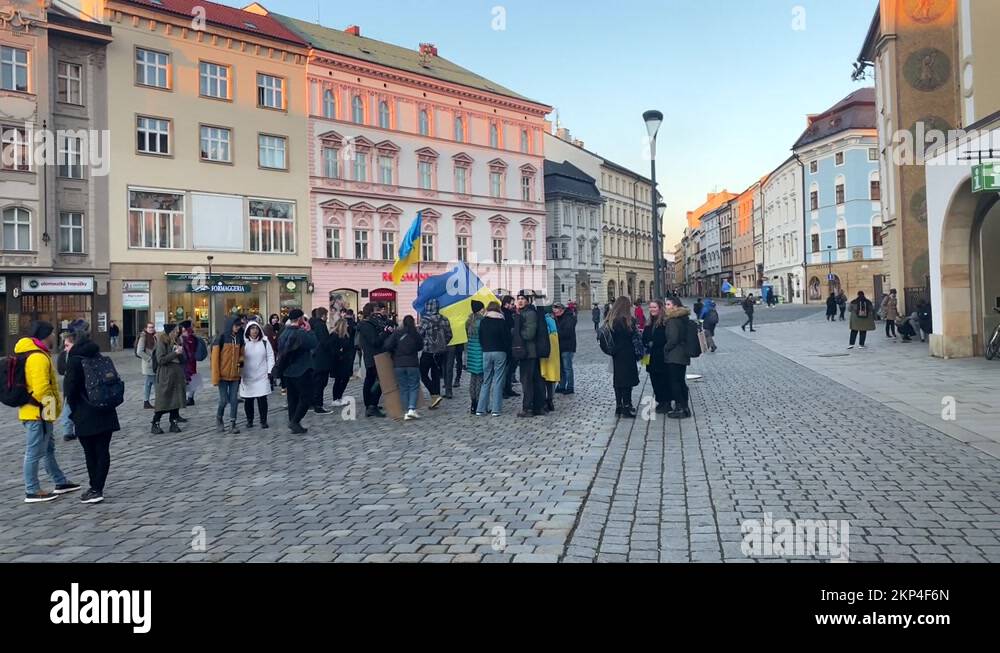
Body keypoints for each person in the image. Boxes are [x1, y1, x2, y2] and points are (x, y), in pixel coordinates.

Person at [15, 321, 80, 503]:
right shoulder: (38, 357)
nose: (54, 337)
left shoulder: (38, 353)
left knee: (48, 449)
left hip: (39, 412)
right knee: (34, 451)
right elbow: (42, 389)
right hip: (38, 412)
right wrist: (50, 412)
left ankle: (60, 482)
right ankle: (32, 490)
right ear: (45, 335)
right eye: (52, 334)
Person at [62, 320, 120, 504]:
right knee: (103, 450)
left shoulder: (75, 361)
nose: (65, 349)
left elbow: (69, 390)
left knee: (90, 452)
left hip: (85, 412)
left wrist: (74, 410)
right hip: (106, 408)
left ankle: (94, 488)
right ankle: (98, 487)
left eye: (67, 345)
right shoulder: (98, 355)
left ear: (75, 343)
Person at [276, 309, 318, 434]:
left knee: (292, 398)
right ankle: (295, 420)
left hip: (288, 370)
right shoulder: (300, 333)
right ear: (300, 319)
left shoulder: (284, 332)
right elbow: (314, 343)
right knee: (307, 397)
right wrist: (309, 330)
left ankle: (293, 422)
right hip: (302, 370)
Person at [602, 297, 639, 418]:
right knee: (627, 382)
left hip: (616, 354)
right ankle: (627, 406)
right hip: (627, 354)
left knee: (618, 381)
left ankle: (619, 406)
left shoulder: (610, 320)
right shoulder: (628, 321)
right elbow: (634, 336)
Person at [513, 291, 546, 418]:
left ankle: (528, 408)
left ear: (528, 301)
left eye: (522, 299)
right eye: (518, 299)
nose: (520, 301)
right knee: (533, 380)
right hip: (526, 352)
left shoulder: (530, 313)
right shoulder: (523, 313)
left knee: (527, 380)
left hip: (529, 352)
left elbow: (529, 334)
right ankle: (538, 406)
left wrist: (515, 332)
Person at [385, 315, 424, 420]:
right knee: (413, 386)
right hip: (412, 364)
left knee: (403, 388)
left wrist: (395, 351)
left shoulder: (397, 333)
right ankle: (412, 409)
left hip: (398, 364)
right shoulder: (415, 334)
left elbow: (387, 345)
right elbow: (421, 346)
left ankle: (406, 411)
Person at [211, 318, 244, 434]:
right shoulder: (221, 338)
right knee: (223, 400)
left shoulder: (240, 338)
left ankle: (233, 423)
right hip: (222, 376)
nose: (237, 327)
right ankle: (219, 418)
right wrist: (216, 376)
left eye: (239, 325)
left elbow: (241, 355)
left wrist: (240, 366)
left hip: (235, 375)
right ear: (230, 325)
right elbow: (215, 360)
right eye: (236, 325)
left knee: (234, 400)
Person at [476, 302, 510, 417]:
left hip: (486, 352)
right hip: (500, 351)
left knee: (486, 380)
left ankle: (480, 409)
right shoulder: (501, 321)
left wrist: (485, 347)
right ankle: (496, 409)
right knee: (498, 380)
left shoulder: (483, 321)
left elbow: (480, 337)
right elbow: (506, 338)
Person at [357, 303, 390, 418]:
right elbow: (375, 341)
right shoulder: (367, 325)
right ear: (371, 312)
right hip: (374, 357)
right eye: (376, 311)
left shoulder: (368, 324)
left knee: (370, 380)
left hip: (372, 357)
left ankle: (370, 405)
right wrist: (385, 333)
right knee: (378, 381)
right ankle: (372, 405)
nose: (377, 313)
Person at [152, 323, 186, 434]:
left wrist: (180, 353)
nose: (178, 332)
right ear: (170, 331)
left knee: (176, 400)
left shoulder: (177, 341)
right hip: (165, 375)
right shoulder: (162, 342)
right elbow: (160, 360)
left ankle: (173, 423)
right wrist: (174, 353)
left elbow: (183, 359)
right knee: (164, 401)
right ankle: (155, 423)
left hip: (176, 374)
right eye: (176, 330)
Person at [418, 299, 452, 410]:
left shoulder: (425, 320)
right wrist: (442, 344)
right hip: (440, 352)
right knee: (436, 374)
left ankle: (434, 394)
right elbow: (449, 335)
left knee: (422, 373)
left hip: (428, 352)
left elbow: (420, 335)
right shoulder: (444, 319)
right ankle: (435, 400)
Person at [240, 321, 274, 429]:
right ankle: (249, 420)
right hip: (247, 376)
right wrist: (239, 372)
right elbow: (239, 358)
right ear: (248, 330)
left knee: (262, 399)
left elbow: (270, 356)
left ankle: (263, 420)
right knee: (248, 400)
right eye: (252, 328)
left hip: (262, 375)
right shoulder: (244, 343)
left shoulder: (265, 342)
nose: (254, 331)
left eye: (256, 328)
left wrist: (270, 371)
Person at [663, 296, 693, 419]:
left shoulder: (673, 320)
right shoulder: (683, 318)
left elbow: (673, 339)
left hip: (675, 355)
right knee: (681, 381)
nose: (666, 307)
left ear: (675, 306)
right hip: (683, 354)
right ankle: (685, 407)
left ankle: (680, 407)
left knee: (675, 382)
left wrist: (666, 348)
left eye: (668, 304)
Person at [643, 300, 671, 413]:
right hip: (650, 356)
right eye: (650, 307)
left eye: (654, 307)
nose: (652, 309)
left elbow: (665, 338)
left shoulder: (665, 322)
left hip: (661, 355)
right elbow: (645, 336)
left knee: (663, 379)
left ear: (660, 308)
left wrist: (653, 342)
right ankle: (660, 400)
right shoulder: (649, 322)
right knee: (654, 379)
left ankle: (667, 401)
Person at [308, 308, 334, 414]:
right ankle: (318, 405)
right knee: (320, 382)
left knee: (316, 382)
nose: (327, 317)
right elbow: (325, 342)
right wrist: (332, 336)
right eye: (326, 315)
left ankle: (312, 403)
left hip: (315, 358)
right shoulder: (321, 325)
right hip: (321, 358)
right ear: (323, 315)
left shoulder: (312, 325)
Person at [327, 316, 356, 407]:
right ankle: (336, 398)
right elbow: (333, 349)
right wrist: (340, 354)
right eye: (346, 324)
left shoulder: (346, 335)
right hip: (338, 362)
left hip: (345, 361)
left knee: (345, 379)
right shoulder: (334, 335)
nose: (347, 325)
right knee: (339, 380)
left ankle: (339, 396)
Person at [464, 301, 485, 415]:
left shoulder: (469, 321)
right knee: (480, 380)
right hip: (480, 352)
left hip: (471, 353)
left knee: (473, 379)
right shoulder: (481, 322)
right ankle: (478, 403)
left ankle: (473, 403)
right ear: (480, 309)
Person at [55, 331, 76, 442]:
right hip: (70, 382)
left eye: (67, 345)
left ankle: (69, 430)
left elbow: (60, 369)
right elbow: (60, 369)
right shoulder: (65, 354)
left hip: (70, 382)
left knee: (69, 405)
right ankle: (68, 431)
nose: (65, 348)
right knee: (68, 405)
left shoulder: (66, 354)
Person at [540, 309, 561, 413]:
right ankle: (550, 401)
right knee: (551, 380)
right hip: (553, 355)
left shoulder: (543, 321)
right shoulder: (553, 321)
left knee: (543, 378)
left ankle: (545, 401)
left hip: (545, 355)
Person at [553, 303, 577, 394]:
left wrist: (555, 334)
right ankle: (562, 385)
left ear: (562, 310)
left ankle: (570, 387)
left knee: (567, 367)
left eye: (557, 311)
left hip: (567, 346)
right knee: (561, 368)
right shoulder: (558, 318)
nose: (555, 313)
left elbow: (567, 332)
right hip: (559, 346)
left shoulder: (569, 318)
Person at [135, 322, 157, 409]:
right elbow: (139, 351)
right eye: (150, 327)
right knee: (152, 383)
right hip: (148, 364)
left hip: (153, 364)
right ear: (146, 328)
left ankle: (147, 401)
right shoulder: (143, 337)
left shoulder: (153, 337)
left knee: (149, 383)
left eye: (153, 327)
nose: (151, 329)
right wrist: (149, 359)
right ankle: (150, 401)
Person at [501, 295, 519, 398]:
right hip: (507, 345)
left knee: (510, 369)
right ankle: (505, 389)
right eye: (512, 304)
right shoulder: (504, 314)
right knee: (506, 370)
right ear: (506, 304)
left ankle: (508, 388)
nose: (513, 305)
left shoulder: (510, 313)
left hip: (511, 344)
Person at [179, 321, 200, 407]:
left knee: (189, 380)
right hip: (191, 362)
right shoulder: (192, 337)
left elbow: (189, 351)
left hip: (187, 363)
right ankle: (190, 398)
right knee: (192, 379)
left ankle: (189, 398)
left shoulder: (188, 338)